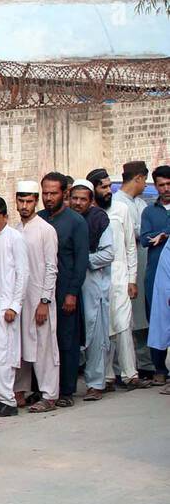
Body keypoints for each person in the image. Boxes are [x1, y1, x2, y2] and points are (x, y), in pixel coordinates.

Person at [96, 167, 149, 389]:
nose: (109, 190)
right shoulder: (90, 214)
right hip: (97, 277)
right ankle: (107, 376)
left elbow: (130, 247)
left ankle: (130, 374)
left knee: (124, 325)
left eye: (110, 186)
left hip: (120, 276)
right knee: (103, 328)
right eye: (104, 187)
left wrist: (132, 279)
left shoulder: (120, 209)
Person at [41, 171, 89, 406]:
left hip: (65, 291)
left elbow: (81, 262)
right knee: (43, 340)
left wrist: (71, 293)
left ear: (64, 193)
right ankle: (44, 388)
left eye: (53, 193)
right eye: (45, 193)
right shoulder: (39, 219)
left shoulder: (76, 222)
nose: (48, 198)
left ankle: (67, 390)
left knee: (66, 340)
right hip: (42, 291)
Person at [13, 181, 61, 412]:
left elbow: (52, 268)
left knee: (44, 347)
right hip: (19, 300)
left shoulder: (45, 230)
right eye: (21, 201)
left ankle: (49, 395)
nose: (24, 205)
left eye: (29, 201)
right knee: (20, 346)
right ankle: (19, 393)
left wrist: (44, 301)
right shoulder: (14, 230)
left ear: (36, 201)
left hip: (40, 299)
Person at [0, 197, 29, 418]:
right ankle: (2, 398)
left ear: (5, 217)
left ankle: (8, 401)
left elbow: (22, 274)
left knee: (5, 354)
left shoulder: (15, 238)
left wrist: (14, 305)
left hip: (6, 307)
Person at [70, 179, 115, 401]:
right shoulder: (66, 219)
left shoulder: (99, 219)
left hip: (92, 281)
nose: (78, 203)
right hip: (69, 282)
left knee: (95, 332)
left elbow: (108, 254)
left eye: (82, 199)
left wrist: (81, 260)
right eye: (74, 198)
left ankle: (96, 383)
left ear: (90, 200)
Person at [116, 161, 151, 379]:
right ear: (137, 178)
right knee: (130, 321)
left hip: (143, 265)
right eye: (144, 180)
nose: (145, 185)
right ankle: (130, 367)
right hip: (127, 269)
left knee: (143, 317)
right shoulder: (119, 204)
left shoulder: (139, 204)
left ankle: (145, 363)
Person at [140, 164, 170, 384]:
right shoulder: (149, 211)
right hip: (155, 273)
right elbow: (144, 238)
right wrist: (157, 236)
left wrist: (165, 234)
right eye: (161, 185)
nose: (166, 188)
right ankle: (160, 369)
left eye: (169, 184)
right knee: (156, 318)